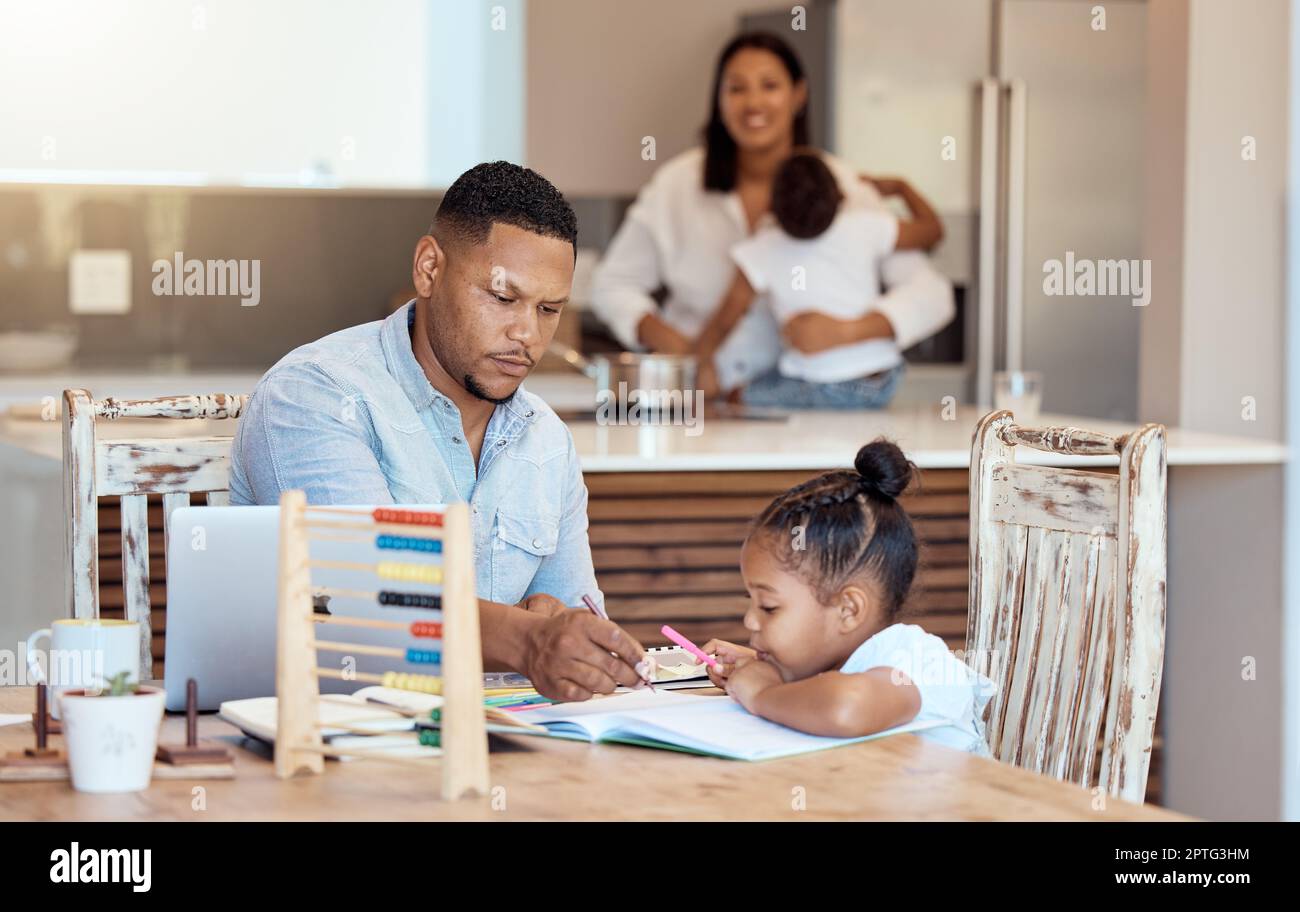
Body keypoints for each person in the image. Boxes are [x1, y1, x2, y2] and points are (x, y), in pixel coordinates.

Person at [229, 161, 650, 702]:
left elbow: (571, 625)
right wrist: (524, 637)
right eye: (502, 298)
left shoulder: (545, 437)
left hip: (499, 745)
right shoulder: (316, 396)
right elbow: (365, 611)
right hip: (328, 747)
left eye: (548, 309)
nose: (526, 334)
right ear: (429, 268)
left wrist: (560, 639)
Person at [590, 31, 954, 406]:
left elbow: (932, 295)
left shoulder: (841, 188)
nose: (753, 102)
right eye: (736, 88)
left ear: (798, 95)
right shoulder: (676, 184)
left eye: (770, 85)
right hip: (700, 403)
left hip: (818, 408)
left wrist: (847, 332)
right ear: (719, 100)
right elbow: (613, 284)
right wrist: (680, 348)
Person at [701, 440, 997, 754]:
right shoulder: (836, 662)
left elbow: (845, 707)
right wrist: (774, 669)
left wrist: (763, 692)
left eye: (769, 607)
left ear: (848, 610)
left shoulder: (914, 660)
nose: (750, 619)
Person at [694, 149, 943, 408]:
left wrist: (701, 364)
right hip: (883, 379)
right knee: (779, 375)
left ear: (771, 207)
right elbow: (933, 231)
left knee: (736, 397)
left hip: (823, 387)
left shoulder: (761, 249)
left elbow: (724, 321)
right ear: (841, 195)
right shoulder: (866, 226)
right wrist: (902, 188)